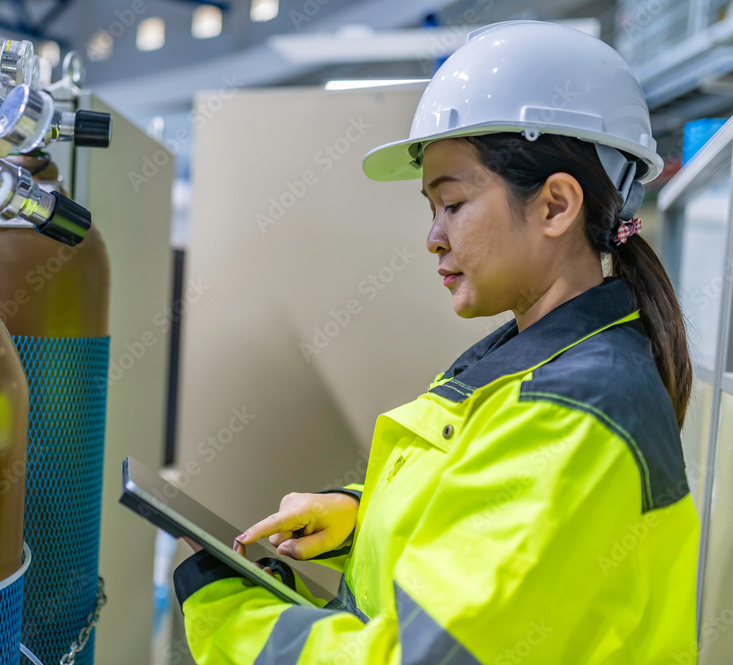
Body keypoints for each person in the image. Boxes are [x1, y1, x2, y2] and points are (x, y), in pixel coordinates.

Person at [172, 20, 699, 664]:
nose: (434, 238)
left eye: (452, 204)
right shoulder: (532, 362)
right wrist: (359, 516)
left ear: (556, 206)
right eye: (431, 208)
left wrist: (227, 609)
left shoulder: (574, 411)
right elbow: (480, 518)